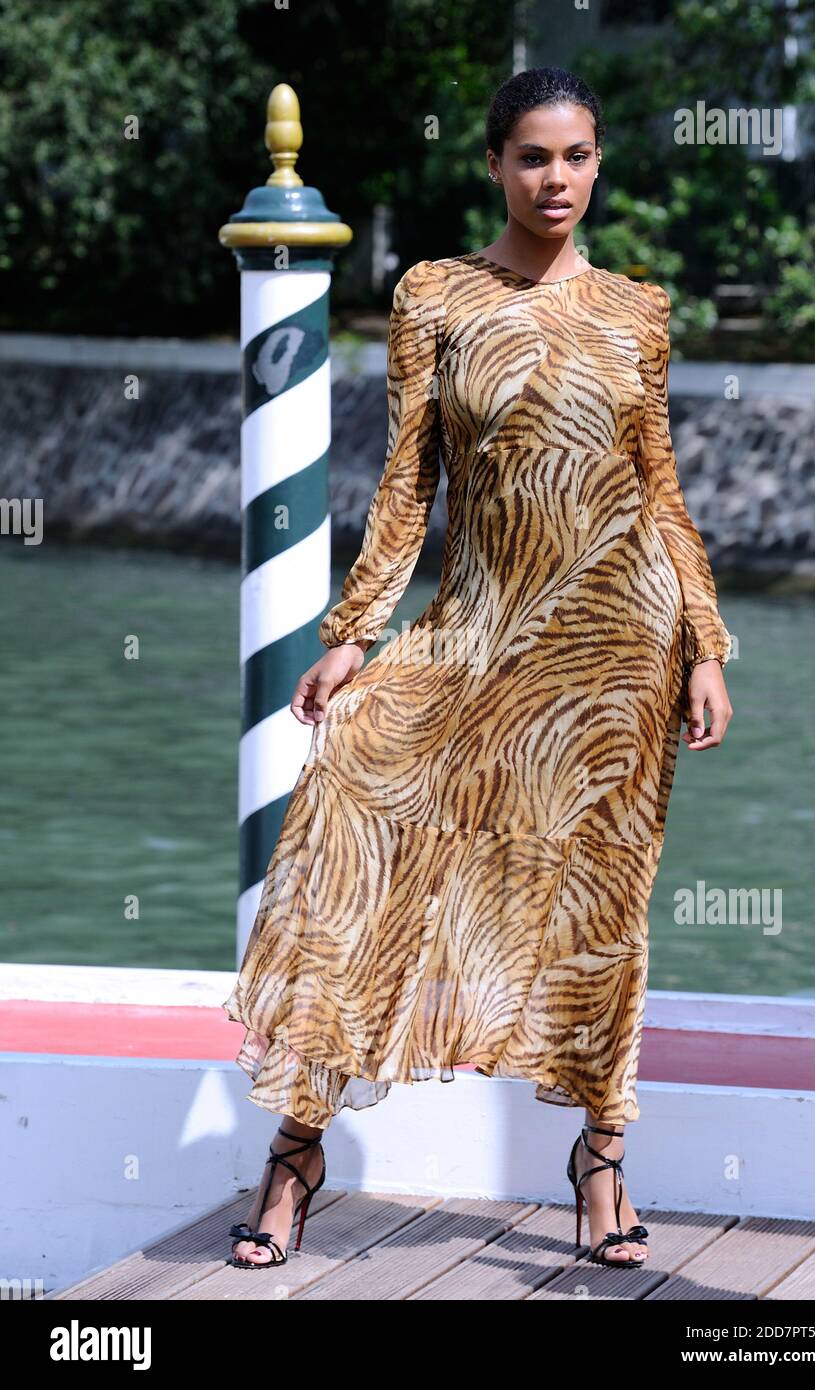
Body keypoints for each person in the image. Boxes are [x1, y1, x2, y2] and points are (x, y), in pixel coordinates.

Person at [222, 66, 734, 1272]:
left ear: (596, 163)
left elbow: (658, 489)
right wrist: (352, 629)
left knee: (599, 909)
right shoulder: (438, 295)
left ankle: (600, 1158)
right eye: (530, 158)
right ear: (494, 165)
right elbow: (409, 481)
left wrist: (704, 645)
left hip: (616, 651)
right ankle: (297, 1150)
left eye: (574, 156)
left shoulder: (636, 310)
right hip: (476, 633)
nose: (554, 179)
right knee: (357, 835)